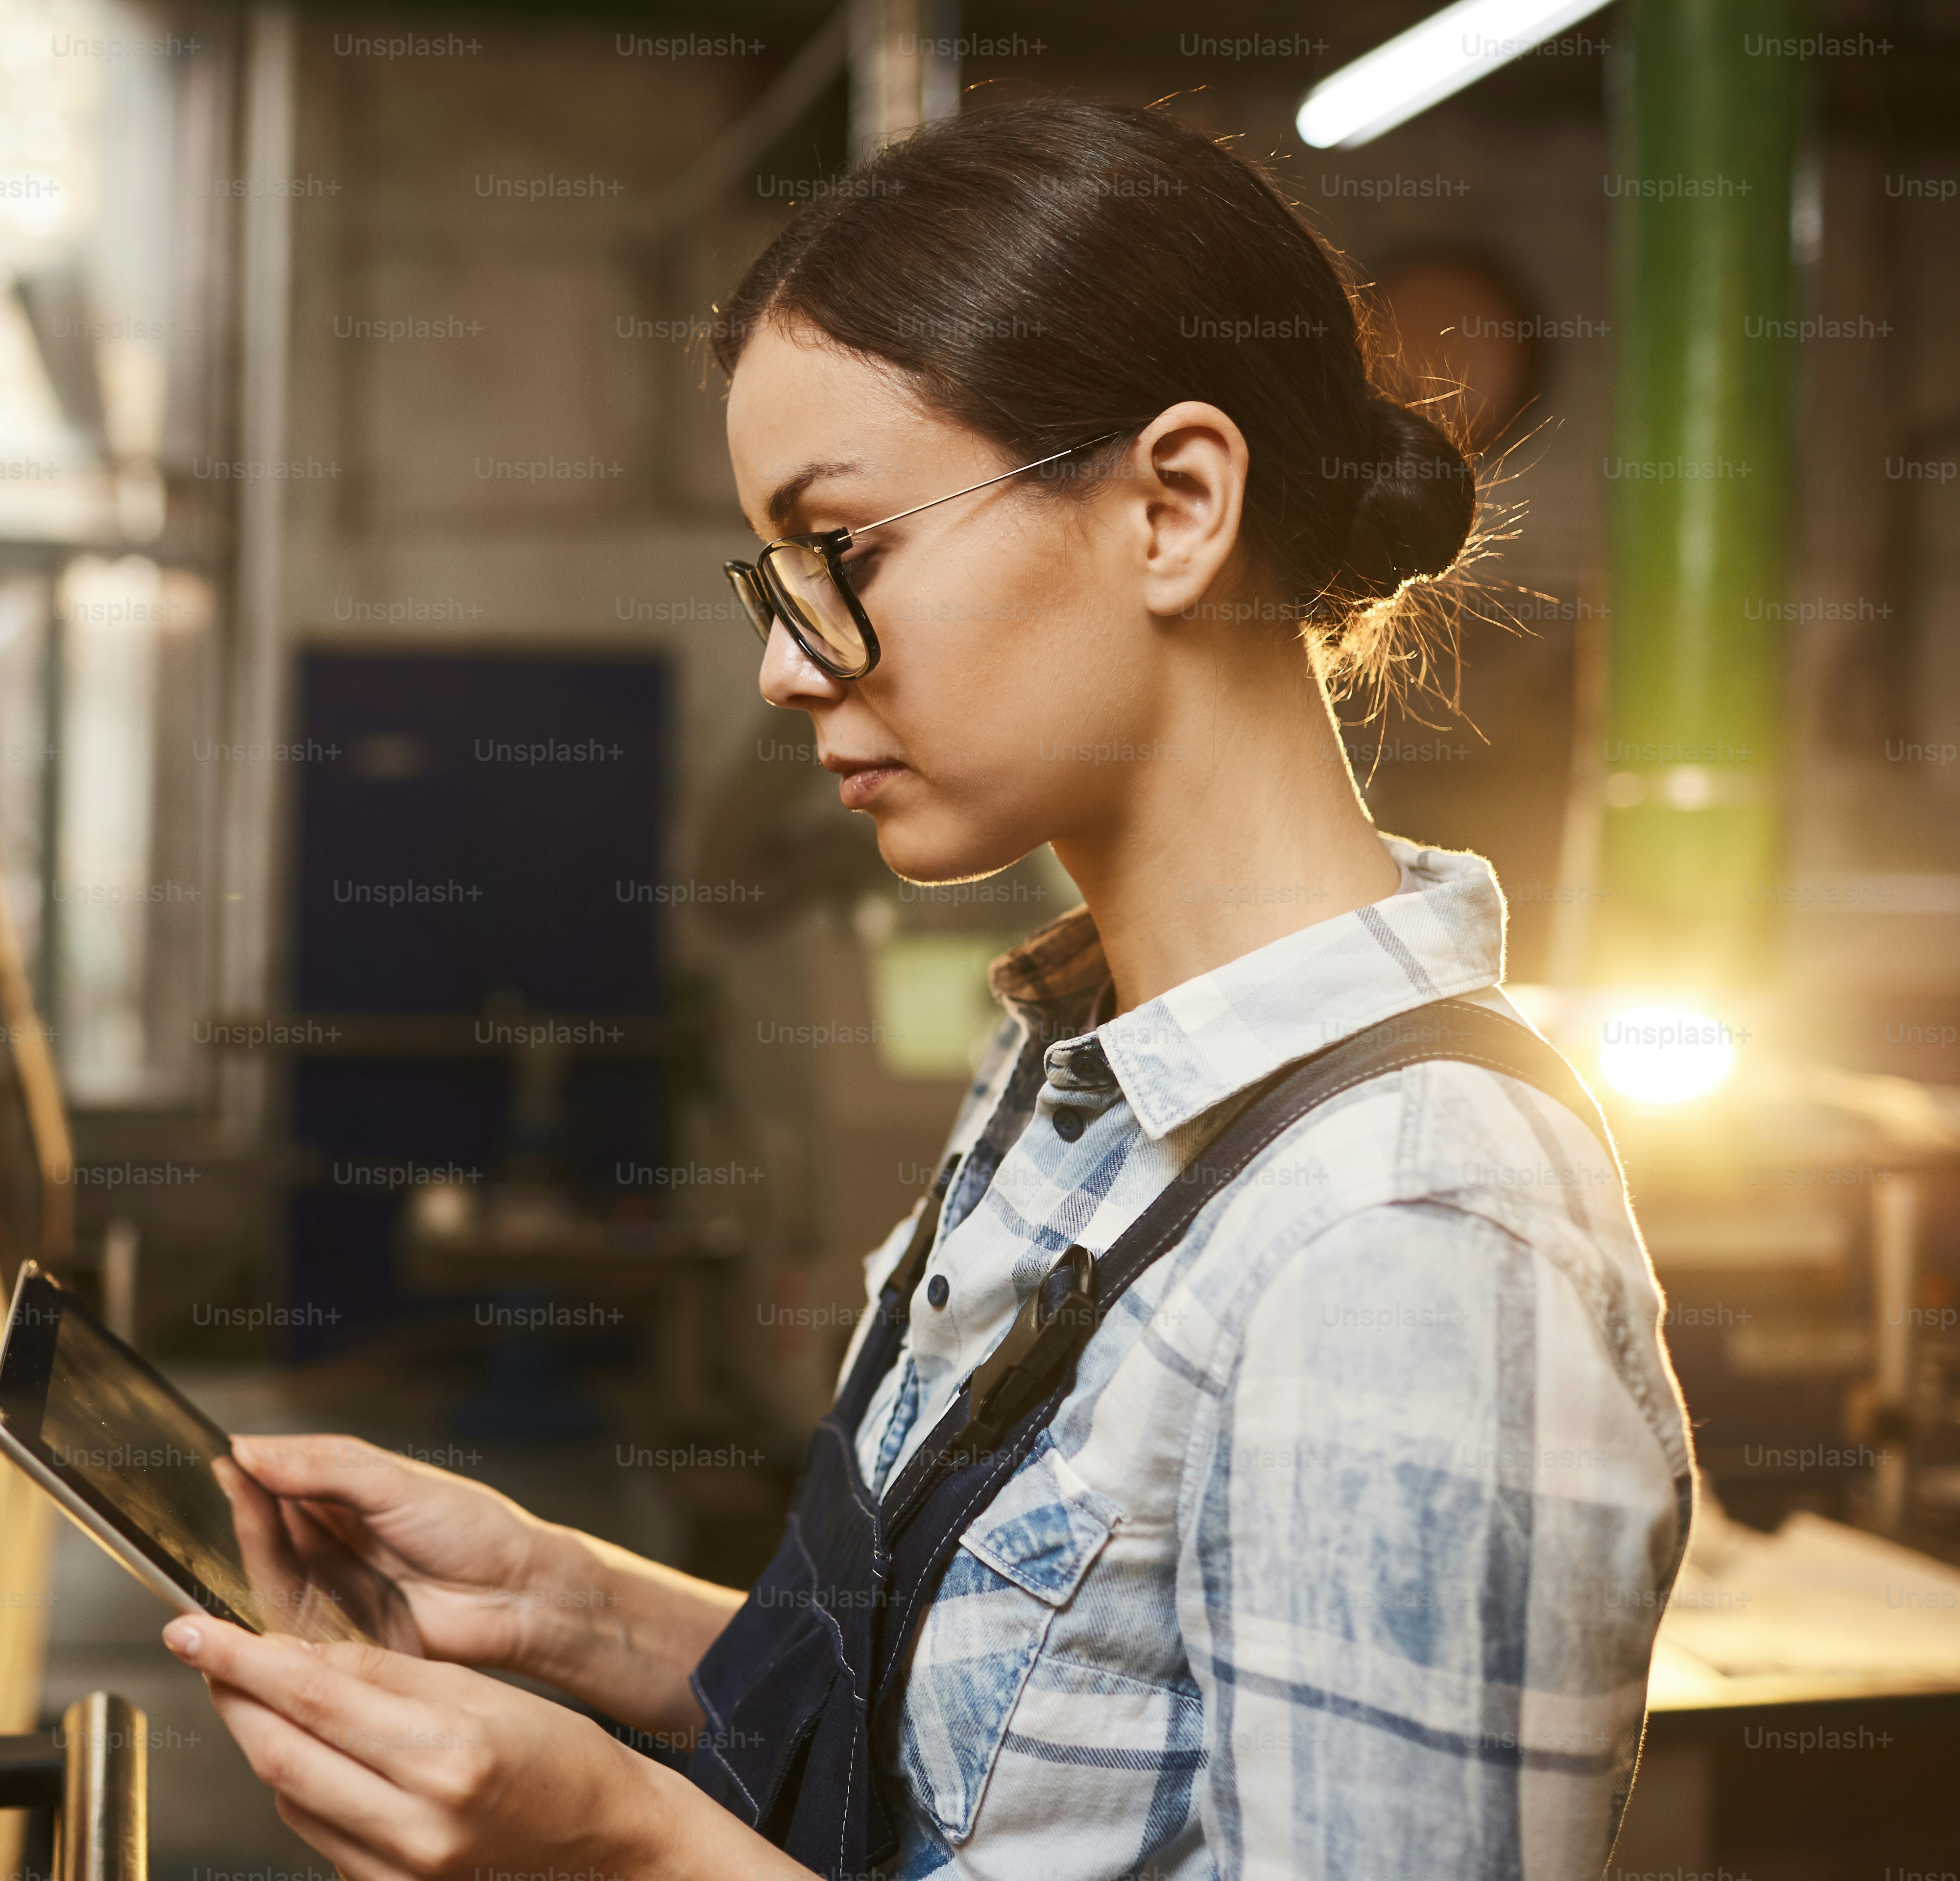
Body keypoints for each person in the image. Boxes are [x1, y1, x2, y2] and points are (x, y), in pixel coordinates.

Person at [159, 96, 1692, 1881]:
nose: (779, 667)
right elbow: (1002, 1741)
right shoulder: (1091, 1071)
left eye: (847, 552)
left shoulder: (1410, 1241)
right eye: (774, 571)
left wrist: (621, 1852)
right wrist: (573, 1608)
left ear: (1176, 507)